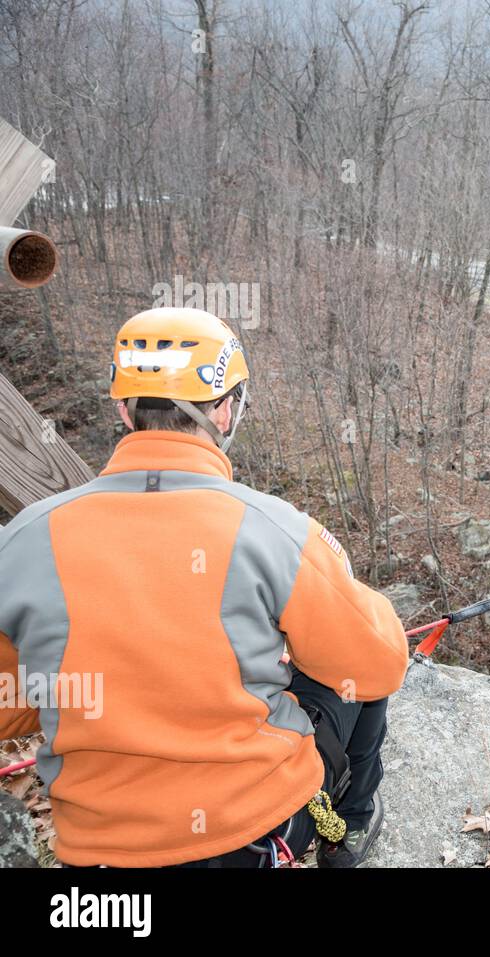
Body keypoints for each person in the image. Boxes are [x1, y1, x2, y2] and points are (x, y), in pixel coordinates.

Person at [0, 307, 408, 868]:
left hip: (94, 847)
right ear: (223, 408)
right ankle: (352, 826)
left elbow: (10, 704)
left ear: (123, 409)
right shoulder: (272, 529)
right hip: (250, 830)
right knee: (350, 658)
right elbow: (377, 663)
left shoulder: (25, 539)